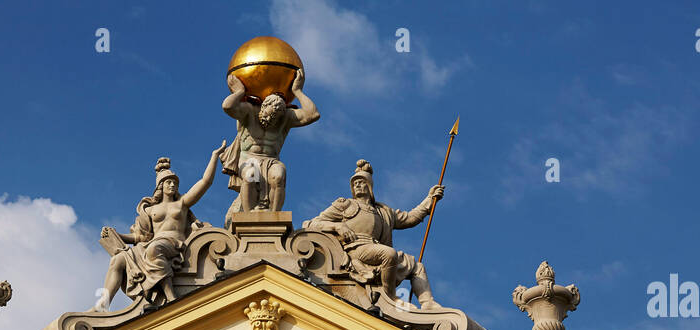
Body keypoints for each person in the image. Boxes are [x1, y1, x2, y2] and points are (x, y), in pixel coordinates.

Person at [95, 144, 225, 311]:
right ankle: (102, 305)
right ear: (161, 186)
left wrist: (214, 156)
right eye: (169, 182)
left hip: (174, 244)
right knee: (117, 260)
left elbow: (205, 182)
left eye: (175, 183)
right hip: (151, 245)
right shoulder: (149, 210)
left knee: (155, 248)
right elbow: (140, 238)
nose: (172, 185)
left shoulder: (182, 204)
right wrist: (114, 234)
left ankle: (171, 297)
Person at [304, 159, 445, 308]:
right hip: (355, 249)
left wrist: (430, 199)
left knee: (416, 266)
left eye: (361, 182)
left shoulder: (383, 212)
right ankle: (390, 299)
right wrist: (337, 227)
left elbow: (410, 218)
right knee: (389, 255)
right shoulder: (345, 204)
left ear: (369, 186)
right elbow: (311, 224)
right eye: (354, 183)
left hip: (374, 248)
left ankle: (427, 302)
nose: (357, 185)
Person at [220, 68, 319, 226]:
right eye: (269, 113)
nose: (271, 118)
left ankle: (274, 218)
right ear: (264, 106)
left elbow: (313, 114)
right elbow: (227, 106)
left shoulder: (284, 118)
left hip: (271, 160)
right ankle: (248, 217)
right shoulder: (249, 111)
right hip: (249, 159)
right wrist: (240, 91)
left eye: (276, 116)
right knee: (250, 174)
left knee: (279, 175)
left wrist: (297, 90)